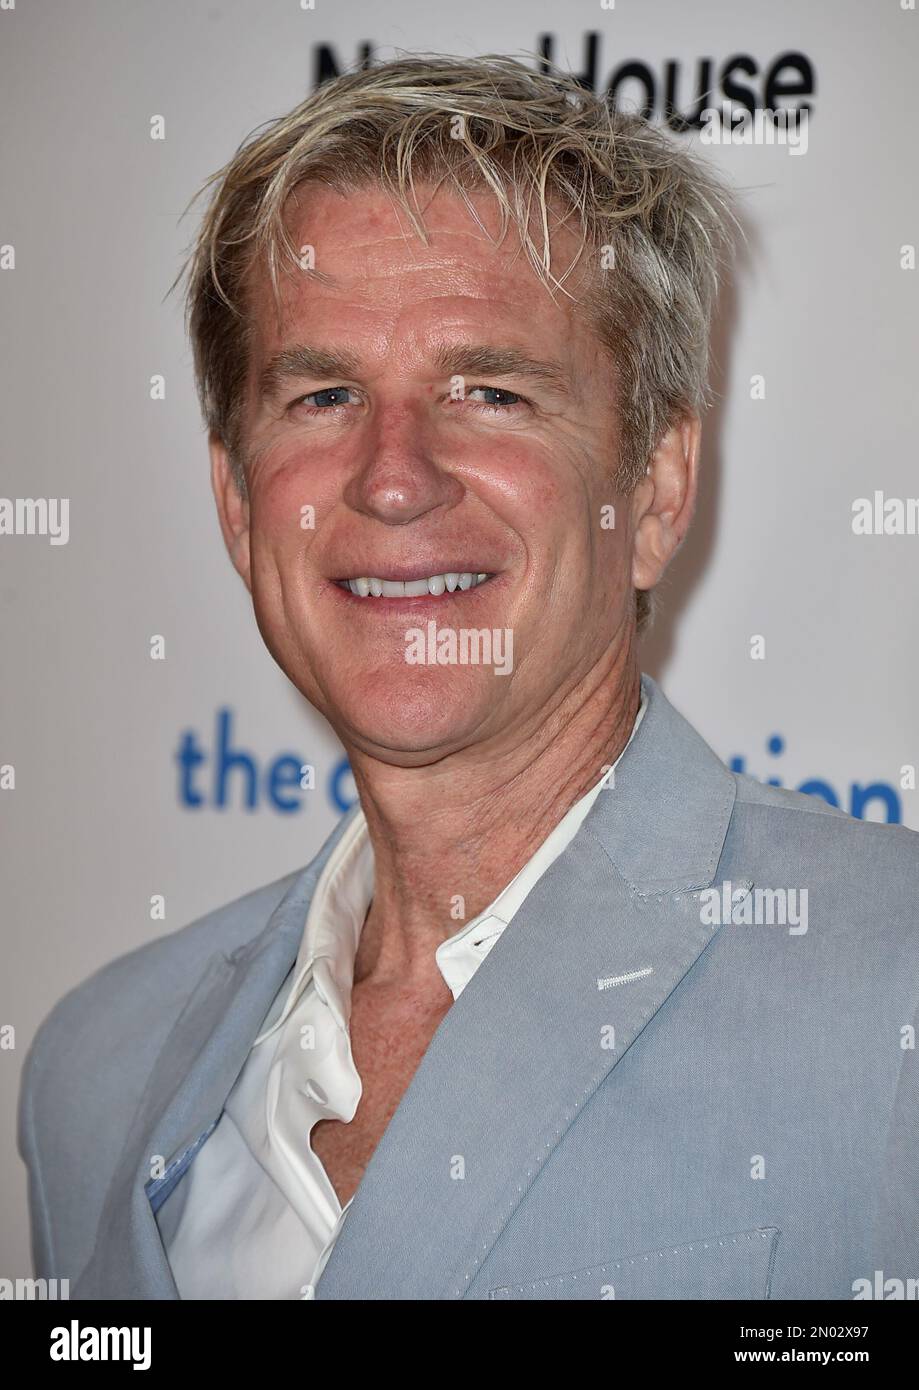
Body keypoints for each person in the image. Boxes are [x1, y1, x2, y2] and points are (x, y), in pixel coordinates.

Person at [18, 53, 919, 1301]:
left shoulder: (891, 996)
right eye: (325, 393)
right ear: (236, 504)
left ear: (652, 491)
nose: (394, 476)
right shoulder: (91, 1073)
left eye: (490, 392)